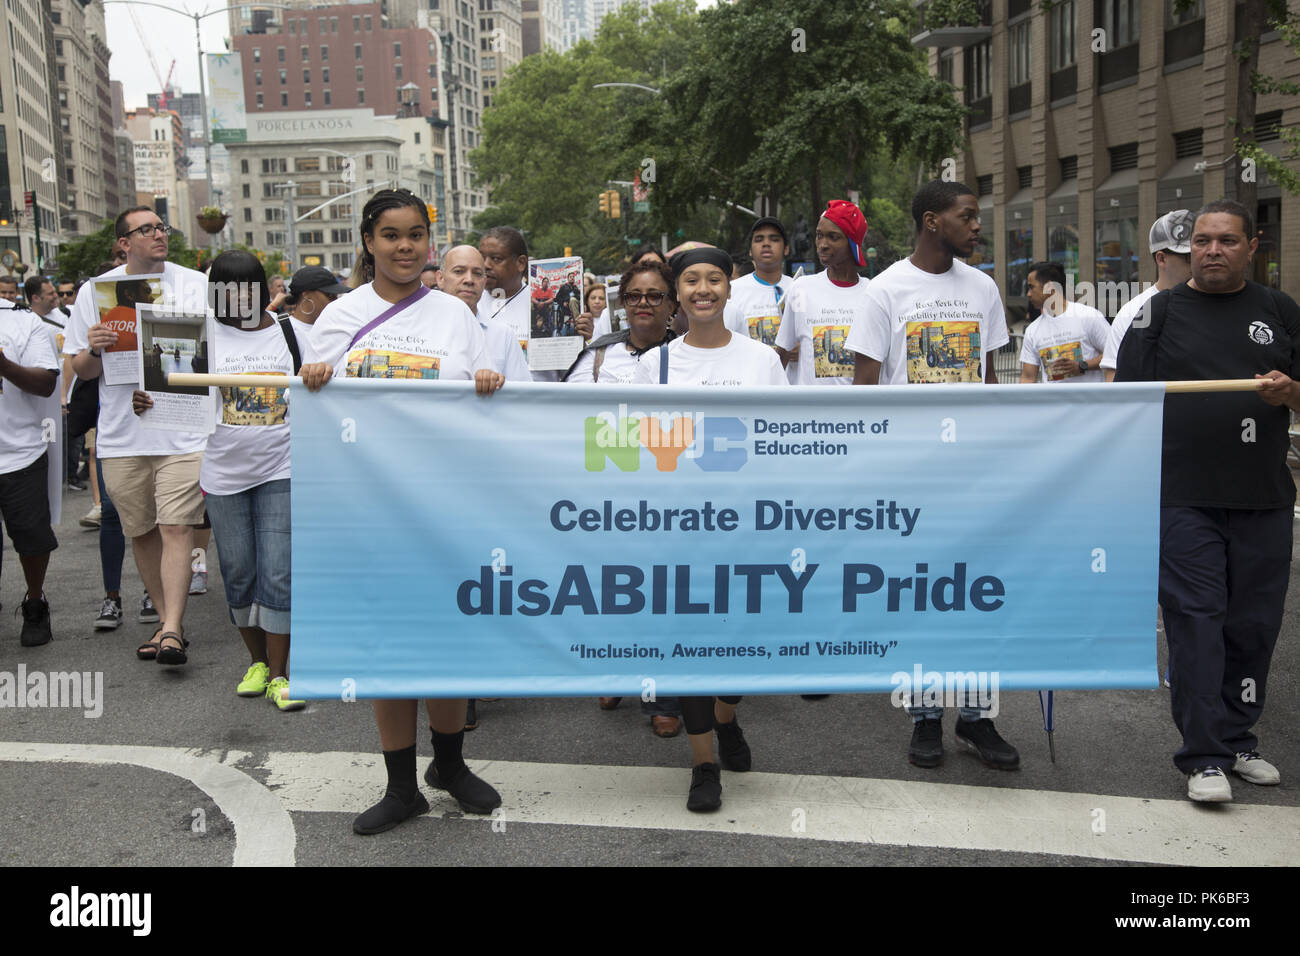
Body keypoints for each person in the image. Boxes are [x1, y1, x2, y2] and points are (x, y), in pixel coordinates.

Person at [300, 188, 505, 834]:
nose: (405, 246)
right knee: (388, 645)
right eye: (391, 235)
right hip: (370, 509)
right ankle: (400, 786)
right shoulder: (340, 316)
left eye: (416, 234)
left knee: (443, 641)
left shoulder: (454, 315)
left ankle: (449, 765)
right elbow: (317, 411)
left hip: (445, 504)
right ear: (368, 241)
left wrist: (488, 384)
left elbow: (487, 399)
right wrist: (313, 384)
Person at [1115, 199, 1298, 802]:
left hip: (1263, 499)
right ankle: (1203, 757)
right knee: (1197, 622)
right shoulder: (1157, 316)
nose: (1212, 250)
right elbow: (1125, 409)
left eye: (1226, 240)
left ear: (1252, 246)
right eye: (1202, 240)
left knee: (1253, 627)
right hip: (1182, 500)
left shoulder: (1279, 311)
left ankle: (1240, 739)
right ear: (1189, 248)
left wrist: (1290, 393)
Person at [846, 179, 1018, 770]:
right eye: (967, 217)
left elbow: (990, 382)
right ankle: (924, 718)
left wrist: (996, 457)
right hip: (909, 474)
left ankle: (977, 719)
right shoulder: (887, 290)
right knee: (921, 592)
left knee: (976, 593)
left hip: (971, 473)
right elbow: (863, 388)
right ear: (931, 221)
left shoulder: (983, 287)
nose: (976, 226)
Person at [633, 247, 786, 812]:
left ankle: (727, 715)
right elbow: (643, 451)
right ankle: (703, 764)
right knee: (689, 647)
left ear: (730, 287)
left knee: (742, 646)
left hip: (747, 527)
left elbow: (779, 442)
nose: (703, 289)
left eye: (714, 279)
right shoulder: (657, 365)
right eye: (691, 280)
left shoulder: (762, 361)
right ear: (678, 292)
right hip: (679, 532)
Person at [64, 207, 209, 666]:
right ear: (123, 243)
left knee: (176, 525)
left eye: (161, 227)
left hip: (182, 427)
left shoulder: (194, 283)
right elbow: (81, 370)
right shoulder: (95, 292)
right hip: (123, 434)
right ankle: (172, 623)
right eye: (144, 229)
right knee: (142, 531)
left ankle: (169, 629)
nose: (157, 235)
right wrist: (95, 346)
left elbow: (218, 346)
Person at [195, 250, 304, 711]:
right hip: (222, 474)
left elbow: (325, 382)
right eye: (226, 286)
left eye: (246, 286)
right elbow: (172, 392)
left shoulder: (291, 332)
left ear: (262, 288)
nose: (237, 295)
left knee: (278, 573)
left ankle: (280, 674)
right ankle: (256, 662)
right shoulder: (201, 335)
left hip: (282, 468)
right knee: (238, 572)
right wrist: (149, 401)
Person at [0, 289, 60, 645]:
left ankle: (35, 600)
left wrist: (4, 365)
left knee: (31, 537)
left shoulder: (22, 321)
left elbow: (46, 383)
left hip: (18, 451)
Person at [775, 201, 867, 387]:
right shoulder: (800, 289)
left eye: (833, 237)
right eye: (819, 236)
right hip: (808, 412)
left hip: (858, 413)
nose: (822, 245)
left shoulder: (873, 294)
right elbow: (782, 353)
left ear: (852, 242)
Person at [1101, 210, 1195, 382]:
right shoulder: (1132, 312)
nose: (1198, 261)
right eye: (1189, 257)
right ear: (1161, 258)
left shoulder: (1221, 304)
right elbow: (1114, 379)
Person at [1018, 260, 1109, 383]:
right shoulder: (1032, 331)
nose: (1028, 294)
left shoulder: (1088, 316)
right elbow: (1028, 377)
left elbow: (1114, 354)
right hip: (1053, 402)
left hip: (1090, 401)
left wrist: (1082, 366)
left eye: (1031, 287)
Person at [726, 217, 793, 374]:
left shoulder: (800, 289)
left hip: (793, 390)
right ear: (750, 250)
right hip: (751, 384)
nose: (766, 244)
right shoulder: (732, 291)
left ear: (786, 249)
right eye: (759, 239)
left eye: (774, 239)